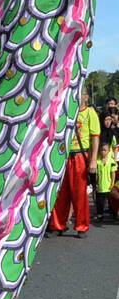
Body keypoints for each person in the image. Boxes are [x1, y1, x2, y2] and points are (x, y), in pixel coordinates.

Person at [48, 86, 100, 235]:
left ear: (86, 97)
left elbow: (95, 138)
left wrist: (93, 161)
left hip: (80, 156)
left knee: (79, 193)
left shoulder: (90, 113)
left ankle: (81, 225)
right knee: (61, 192)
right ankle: (58, 224)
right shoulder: (67, 112)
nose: (77, 97)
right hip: (64, 156)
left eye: (80, 94)